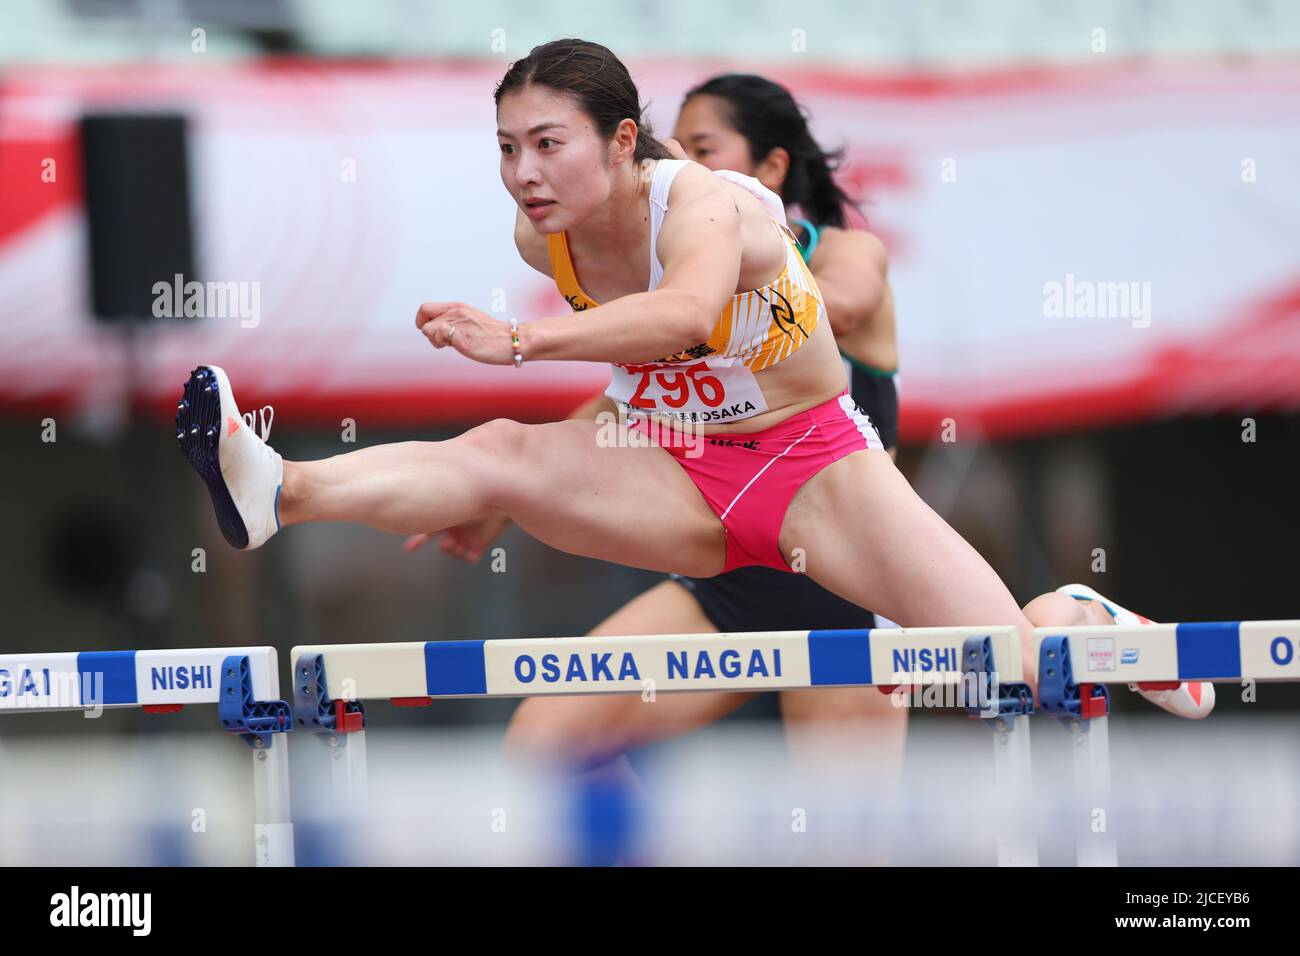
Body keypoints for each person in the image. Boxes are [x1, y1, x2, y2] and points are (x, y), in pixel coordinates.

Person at [176, 39, 1044, 712]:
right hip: (675, 471)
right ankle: (279, 488)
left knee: (1020, 662)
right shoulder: (543, 237)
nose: (523, 174)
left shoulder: (704, 200)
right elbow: (650, 376)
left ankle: (1087, 619)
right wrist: (500, 498)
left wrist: (518, 341)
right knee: (503, 449)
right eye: (508, 147)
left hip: (813, 468)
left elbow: (684, 318)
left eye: (548, 144)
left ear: (623, 140)